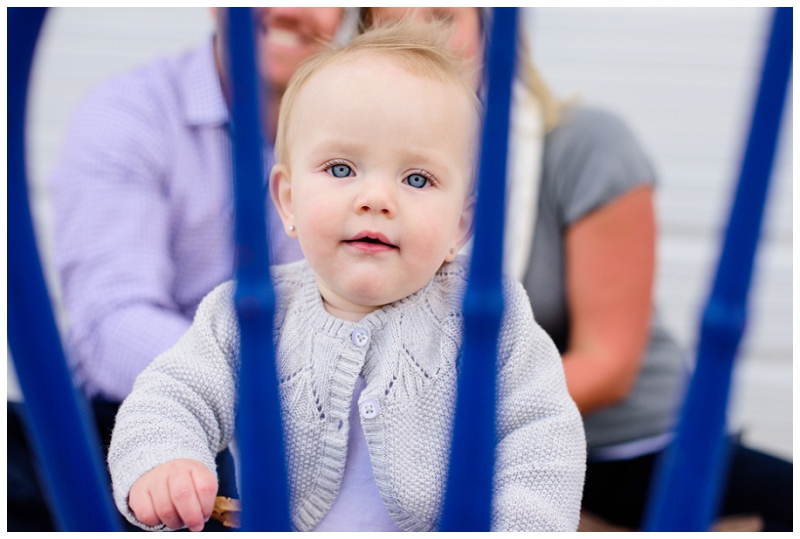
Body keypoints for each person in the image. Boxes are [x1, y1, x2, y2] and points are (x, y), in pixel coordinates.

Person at [107, 22, 586, 532]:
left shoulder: (486, 316)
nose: (375, 199)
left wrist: (520, 524)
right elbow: (169, 396)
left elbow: (541, 435)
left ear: (460, 226)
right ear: (288, 201)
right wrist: (163, 460)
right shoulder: (249, 311)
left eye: (417, 178)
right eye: (340, 169)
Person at [365, 7, 792, 532]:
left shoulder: (583, 144)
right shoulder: (366, 182)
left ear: (495, 34)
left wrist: (435, 413)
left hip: (628, 448)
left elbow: (608, 362)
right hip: (458, 449)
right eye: (391, 25)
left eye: (440, 17)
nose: (420, 41)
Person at [8, 8, 357, 532]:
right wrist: (263, 377)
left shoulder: (358, 139)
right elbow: (109, 325)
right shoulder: (129, 113)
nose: (290, 8)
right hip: (107, 425)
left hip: (294, 433)